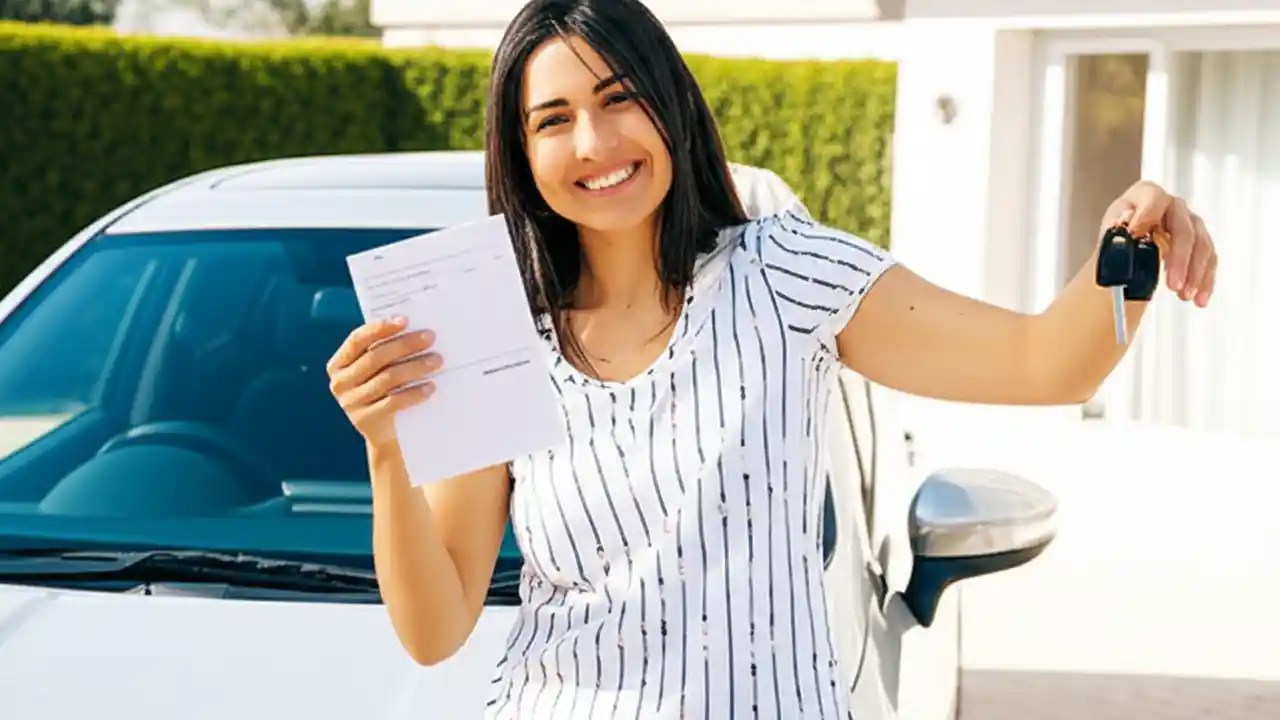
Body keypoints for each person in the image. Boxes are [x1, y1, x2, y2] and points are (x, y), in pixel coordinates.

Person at [324, 0, 1218, 717]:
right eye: (553, 120)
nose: (593, 144)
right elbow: (436, 629)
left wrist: (1130, 243)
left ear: (670, 105)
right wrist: (387, 449)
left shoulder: (786, 272)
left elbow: (1043, 363)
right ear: (523, 154)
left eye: (618, 98)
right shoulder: (491, 327)